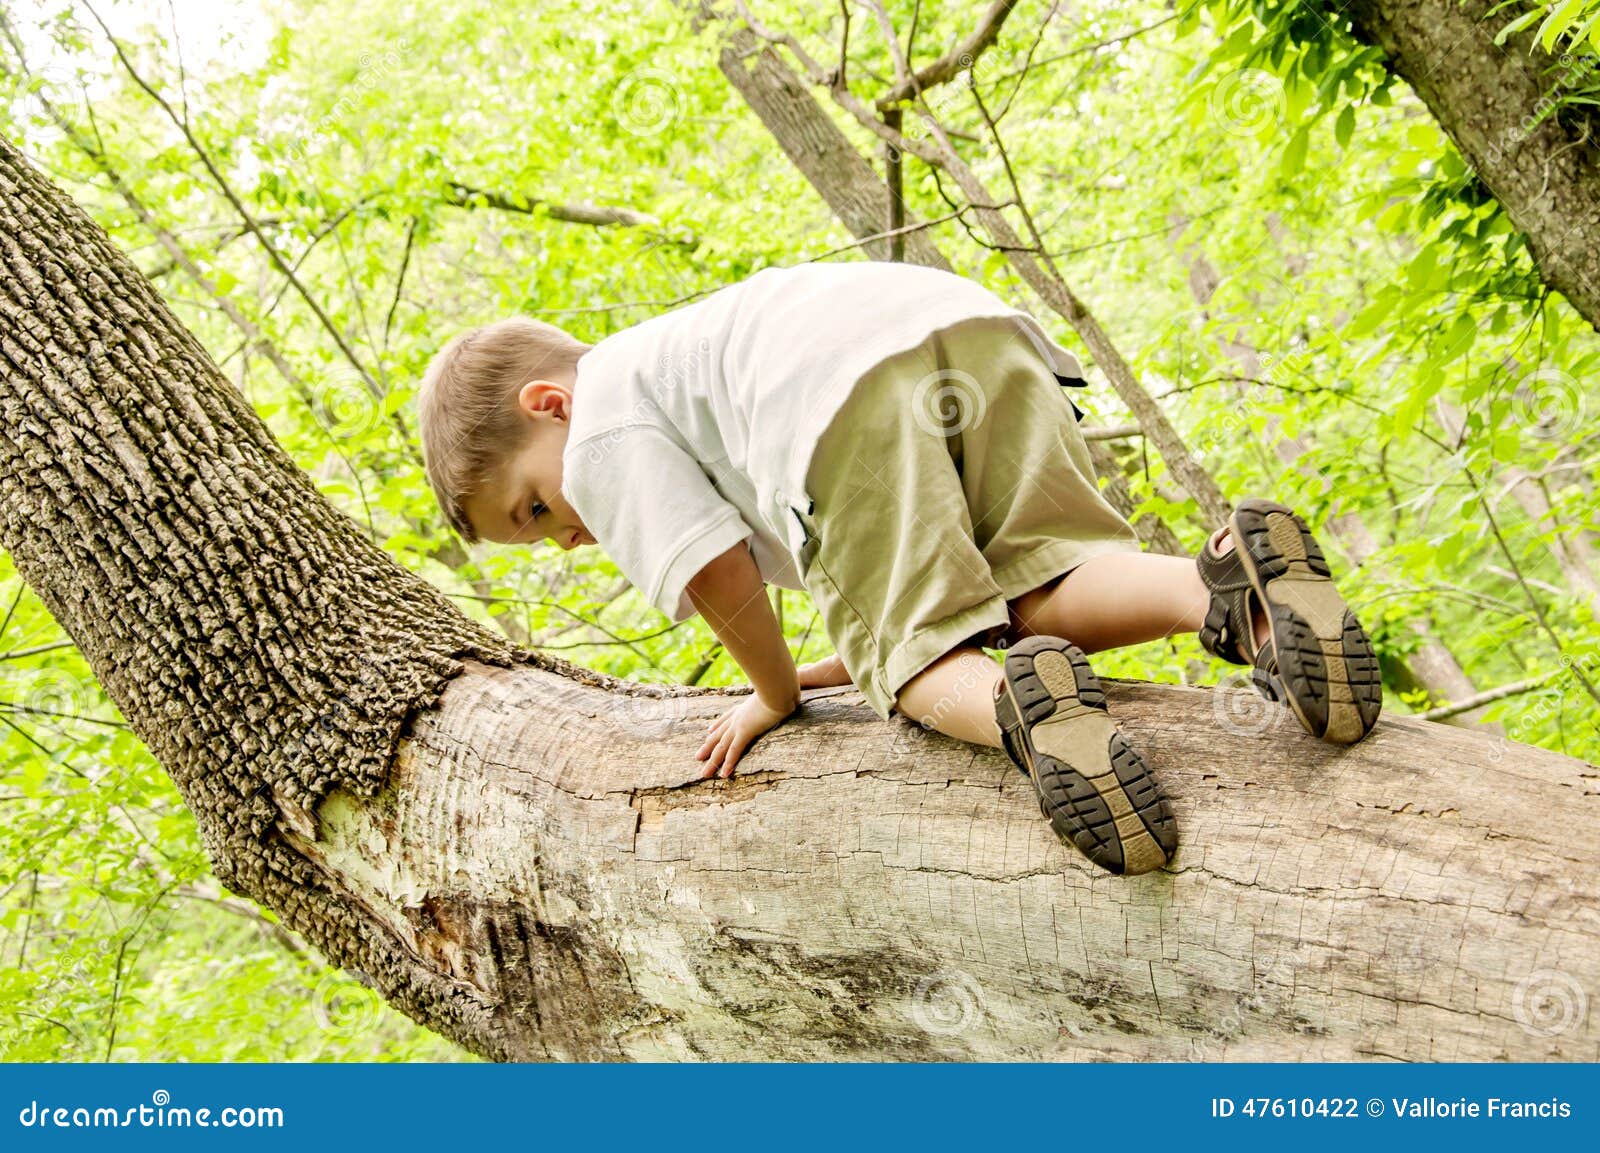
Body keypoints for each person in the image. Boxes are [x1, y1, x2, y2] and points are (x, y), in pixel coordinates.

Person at [416, 261, 1381, 876]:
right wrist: (859, 650)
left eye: (534, 507)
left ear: (550, 404)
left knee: (917, 669)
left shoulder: (600, 423)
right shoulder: (686, 362)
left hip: (842, 401)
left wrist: (778, 692)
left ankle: (1025, 715)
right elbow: (918, 579)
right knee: (1043, 579)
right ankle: (1233, 597)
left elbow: (719, 576)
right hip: (969, 331)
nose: (568, 533)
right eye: (541, 537)